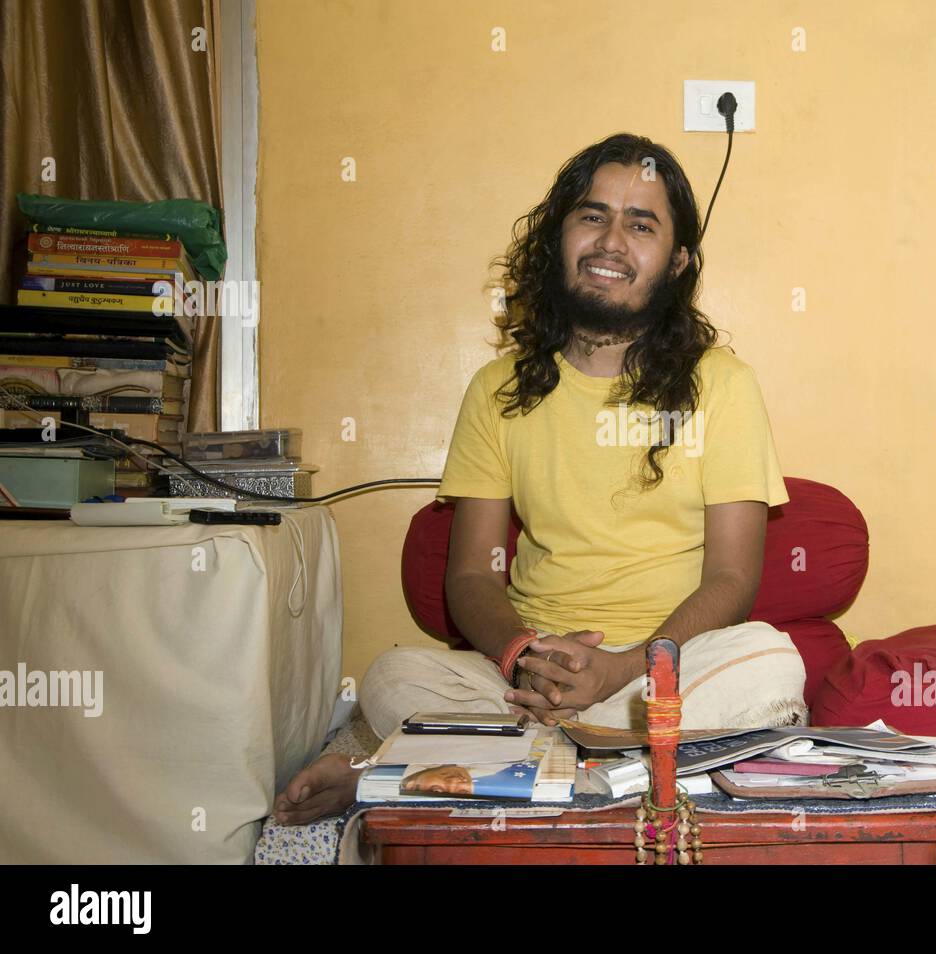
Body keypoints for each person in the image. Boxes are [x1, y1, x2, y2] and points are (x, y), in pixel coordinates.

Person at [273, 133, 805, 825]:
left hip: (660, 677)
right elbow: (469, 577)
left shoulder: (723, 387)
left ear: (676, 260)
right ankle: (598, 762)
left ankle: (449, 769)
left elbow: (733, 579)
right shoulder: (497, 390)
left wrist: (623, 671)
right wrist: (524, 657)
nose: (611, 240)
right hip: (529, 684)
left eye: (641, 224)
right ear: (560, 237)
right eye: (592, 216)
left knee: (771, 664)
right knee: (391, 676)